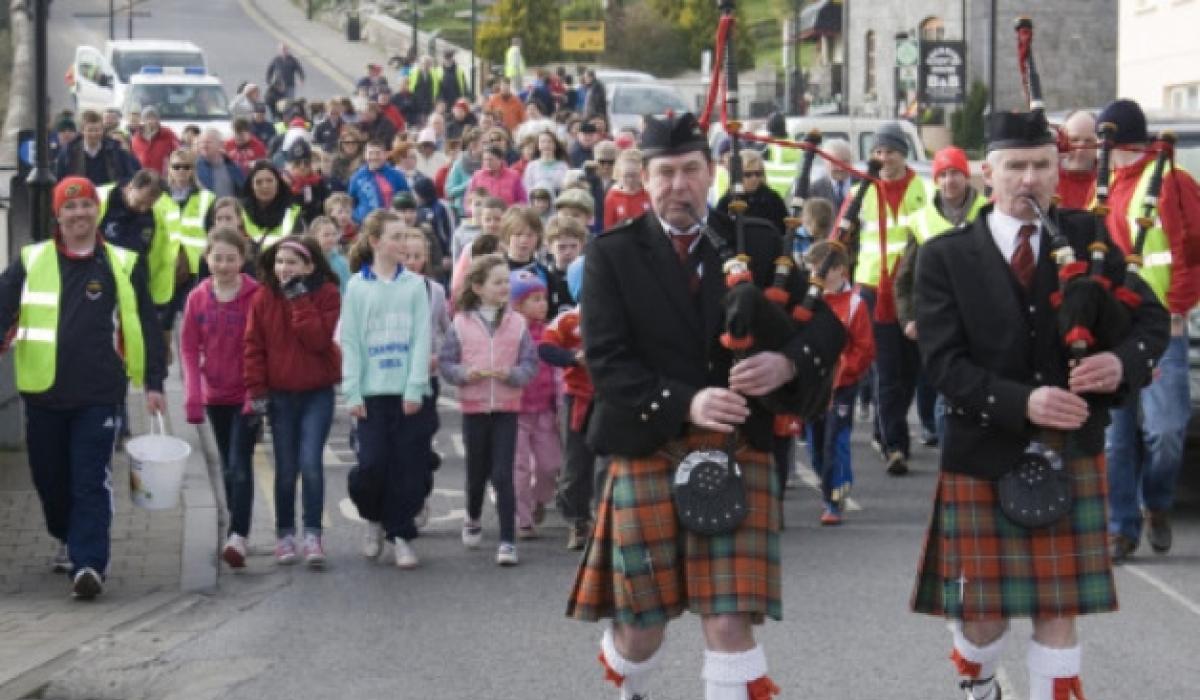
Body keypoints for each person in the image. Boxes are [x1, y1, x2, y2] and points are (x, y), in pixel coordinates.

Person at [566, 112, 845, 700]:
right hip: (650, 443)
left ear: (711, 173)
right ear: (644, 178)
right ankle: (630, 682)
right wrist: (687, 403)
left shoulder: (761, 243)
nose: (678, 185)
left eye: (691, 170)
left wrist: (787, 362)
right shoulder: (611, 254)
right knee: (642, 629)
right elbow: (609, 363)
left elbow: (824, 330)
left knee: (727, 619)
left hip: (739, 450)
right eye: (665, 173)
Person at [910, 108, 1168, 700]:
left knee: (1057, 609)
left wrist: (1121, 362)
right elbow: (944, 366)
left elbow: (1151, 322)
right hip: (981, 451)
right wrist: (1024, 403)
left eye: (1041, 166)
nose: (1029, 179)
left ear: (1058, 172)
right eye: (1016, 166)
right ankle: (976, 680)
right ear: (987, 173)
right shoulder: (945, 257)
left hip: (1069, 447)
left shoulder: (1091, 241)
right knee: (983, 617)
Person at [0, 177, 167, 599]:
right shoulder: (31, 259)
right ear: (58, 215)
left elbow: (146, 323)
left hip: (99, 395)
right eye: (70, 208)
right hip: (42, 394)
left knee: (90, 478)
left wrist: (153, 381)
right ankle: (66, 536)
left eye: (86, 206)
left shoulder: (123, 263)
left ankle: (90, 563)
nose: (79, 215)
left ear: (97, 210)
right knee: (49, 481)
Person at [1097, 98, 1200, 563]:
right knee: (1117, 436)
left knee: (1166, 431)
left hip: (1162, 328)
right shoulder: (1106, 188)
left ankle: (1156, 502)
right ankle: (1122, 528)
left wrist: (1177, 308)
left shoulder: (1174, 182)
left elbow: (1194, 252)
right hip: (1113, 328)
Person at [342, 210, 433, 569]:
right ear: (375, 241)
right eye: (395, 237)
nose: (402, 243)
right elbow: (350, 341)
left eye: (405, 236)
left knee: (407, 468)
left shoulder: (414, 285)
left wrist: (415, 387)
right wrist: (352, 391)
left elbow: (421, 337)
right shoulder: (356, 286)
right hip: (371, 394)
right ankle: (373, 517)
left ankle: (401, 535)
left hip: (407, 394)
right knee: (372, 465)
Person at [244, 235, 342, 568]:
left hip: (317, 392)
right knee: (286, 470)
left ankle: (312, 535)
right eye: (280, 262)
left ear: (310, 266)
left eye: (293, 262)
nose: (285, 268)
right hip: (281, 395)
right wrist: (257, 393)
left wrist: (299, 299)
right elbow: (253, 348)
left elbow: (317, 340)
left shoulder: (327, 295)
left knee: (311, 464)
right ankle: (285, 534)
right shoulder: (262, 298)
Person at [439, 253, 538, 566]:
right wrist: (464, 375)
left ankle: (507, 541)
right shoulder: (461, 322)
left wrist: (514, 376)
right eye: (497, 282)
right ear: (478, 287)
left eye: (506, 282)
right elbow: (446, 363)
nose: (504, 287)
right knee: (475, 474)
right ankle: (472, 516)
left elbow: (529, 363)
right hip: (474, 407)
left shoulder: (518, 322)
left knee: (502, 474)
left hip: (507, 407)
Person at [842, 120, 928, 476]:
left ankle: (882, 429)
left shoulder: (919, 188)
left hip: (909, 289)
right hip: (873, 287)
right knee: (889, 369)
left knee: (908, 370)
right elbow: (843, 235)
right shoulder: (862, 191)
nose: (884, 158)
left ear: (903, 154)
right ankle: (896, 446)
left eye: (890, 151)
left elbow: (928, 235)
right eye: (878, 151)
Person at [181, 228, 261, 569]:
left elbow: (263, 347)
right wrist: (193, 394)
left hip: (247, 395)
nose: (225, 265)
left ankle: (239, 536)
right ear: (206, 258)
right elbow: (187, 346)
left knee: (239, 464)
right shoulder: (197, 297)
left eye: (231, 258)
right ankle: (234, 530)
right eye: (218, 258)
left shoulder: (257, 296)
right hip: (215, 395)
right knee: (228, 468)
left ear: (242, 260)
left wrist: (254, 392)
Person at [802, 241, 875, 525]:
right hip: (813, 384)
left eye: (822, 272)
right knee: (815, 441)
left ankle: (834, 497)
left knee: (836, 439)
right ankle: (826, 481)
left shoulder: (855, 304)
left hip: (842, 384)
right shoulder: (809, 300)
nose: (816, 277)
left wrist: (846, 370)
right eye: (812, 271)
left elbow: (865, 348)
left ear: (841, 271)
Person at [538, 259, 595, 550]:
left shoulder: (622, 315)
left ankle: (604, 519)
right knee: (576, 461)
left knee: (608, 461)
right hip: (578, 398)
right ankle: (577, 520)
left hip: (612, 397)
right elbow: (545, 347)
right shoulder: (568, 320)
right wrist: (573, 359)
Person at [508, 270, 561, 540]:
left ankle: (539, 499)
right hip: (515, 411)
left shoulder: (551, 333)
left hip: (544, 410)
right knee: (519, 467)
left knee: (550, 465)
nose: (543, 303)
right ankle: (523, 519)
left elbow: (558, 370)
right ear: (517, 305)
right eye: (535, 299)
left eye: (543, 298)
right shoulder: (510, 334)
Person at [716, 149, 789, 238]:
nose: (754, 178)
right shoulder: (726, 201)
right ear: (737, 175)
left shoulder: (773, 199)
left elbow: (785, 232)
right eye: (748, 174)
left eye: (758, 174)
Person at [55, 110, 139, 186]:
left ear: (102, 130)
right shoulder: (69, 152)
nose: (94, 134)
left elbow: (129, 175)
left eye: (97, 130)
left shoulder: (116, 150)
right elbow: (61, 180)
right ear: (82, 131)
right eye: (90, 130)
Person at [241, 161, 302, 251]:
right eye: (259, 182)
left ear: (278, 184)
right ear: (251, 187)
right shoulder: (240, 213)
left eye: (269, 181)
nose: (265, 186)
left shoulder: (292, 213)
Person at [348, 140, 411, 225]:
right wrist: (357, 218)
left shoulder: (397, 175)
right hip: (365, 226)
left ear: (385, 155)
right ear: (365, 155)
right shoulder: (357, 177)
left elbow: (407, 199)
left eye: (377, 153)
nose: (374, 157)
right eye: (370, 153)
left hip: (390, 224)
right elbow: (351, 202)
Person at [1056, 110, 1099, 210]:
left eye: (1089, 141)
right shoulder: (1047, 180)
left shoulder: (1110, 182)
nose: (1080, 149)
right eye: (1074, 140)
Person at [283, 140, 330, 226]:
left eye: (306, 163)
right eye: (297, 163)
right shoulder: (282, 184)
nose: (302, 166)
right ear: (289, 164)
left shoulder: (319, 183)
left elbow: (326, 208)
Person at [602, 147, 650, 230]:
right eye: (626, 175)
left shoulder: (649, 194)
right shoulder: (612, 196)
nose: (630, 180)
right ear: (619, 174)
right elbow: (608, 228)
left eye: (634, 175)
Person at [807, 138, 855, 214]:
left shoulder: (866, 186)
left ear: (852, 161)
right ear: (824, 162)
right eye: (834, 162)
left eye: (845, 162)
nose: (840, 168)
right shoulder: (814, 190)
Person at [130, 106, 180, 176]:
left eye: (153, 117)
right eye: (147, 118)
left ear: (158, 119)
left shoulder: (168, 133)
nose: (150, 121)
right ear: (143, 120)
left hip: (162, 177)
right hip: (142, 177)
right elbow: (132, 158)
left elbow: (178, 152)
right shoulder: (136, 137)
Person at [195, 128, 245, 198]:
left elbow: (243, 191)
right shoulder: (194, 168)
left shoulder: (233, 166)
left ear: (221, 144)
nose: (204, 145)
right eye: (202, 142)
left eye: (208, 142)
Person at [447, 128, 484, 218]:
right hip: (462, 213)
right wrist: (469, 183)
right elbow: (450, 191)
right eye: (482, 143)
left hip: (484, 212)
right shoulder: (459, 164)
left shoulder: (488, 163)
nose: (484, 146)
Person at [310, 215, 350, 295]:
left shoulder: (342, 262)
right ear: (314, 237)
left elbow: (348, 288)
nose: (331, 238)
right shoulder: (308, 261)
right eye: (326, 235)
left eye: (334, 234)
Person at [523, 130, 570, 196]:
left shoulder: (563, 166)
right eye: (543, 142)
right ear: (538, 145)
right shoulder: (531, 166)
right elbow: (527, 189)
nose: (546, 145)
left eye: (549, 142)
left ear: (555, 145)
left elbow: (566, 188)